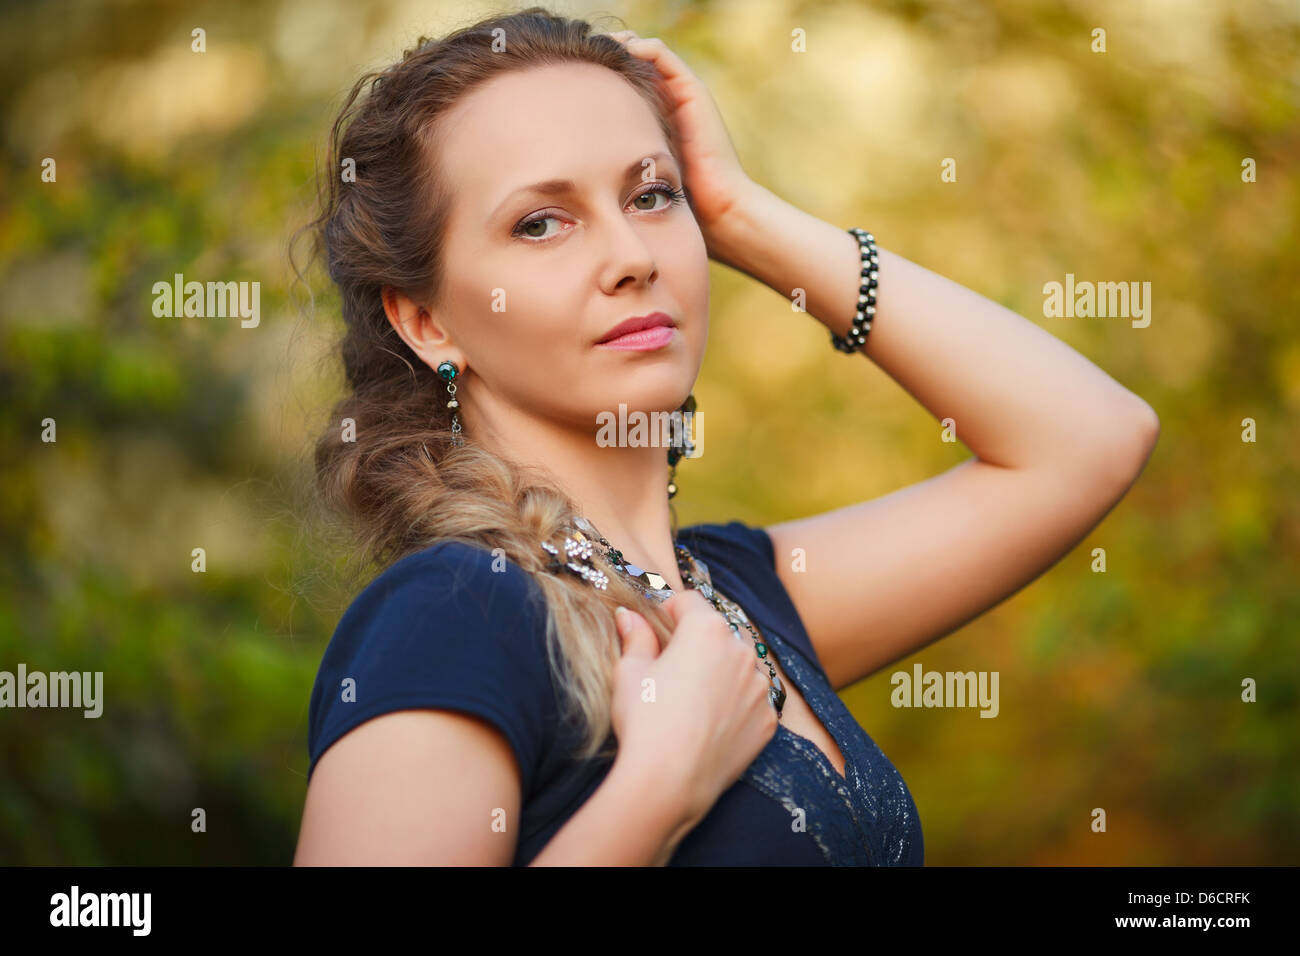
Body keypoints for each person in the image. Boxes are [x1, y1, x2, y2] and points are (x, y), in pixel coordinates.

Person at [292, 7, 1159, 866]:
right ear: (427, 321)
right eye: (541, 222)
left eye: (652, 195)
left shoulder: (745, 597)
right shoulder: (454, 616)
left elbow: (1089, 438)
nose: (633, 252)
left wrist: (741, 213)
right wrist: (661, 790)